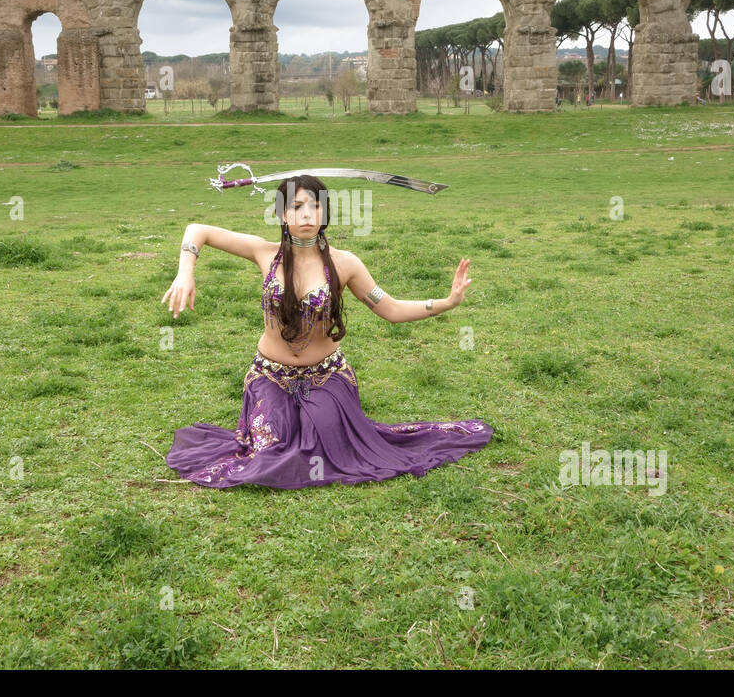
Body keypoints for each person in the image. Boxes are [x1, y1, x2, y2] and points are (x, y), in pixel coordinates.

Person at [160, 175, 492, 488]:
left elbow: (389, 309)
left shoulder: (345, 263)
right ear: (281, 213)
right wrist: (184, 274)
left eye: (315, 206)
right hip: (269, 375)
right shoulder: (265, 253)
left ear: (325, 212)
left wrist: (447, 303)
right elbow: (196, 229)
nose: (307, 214)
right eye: (297, 206)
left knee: (324, 443)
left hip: (326, 376)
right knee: (270, 448)